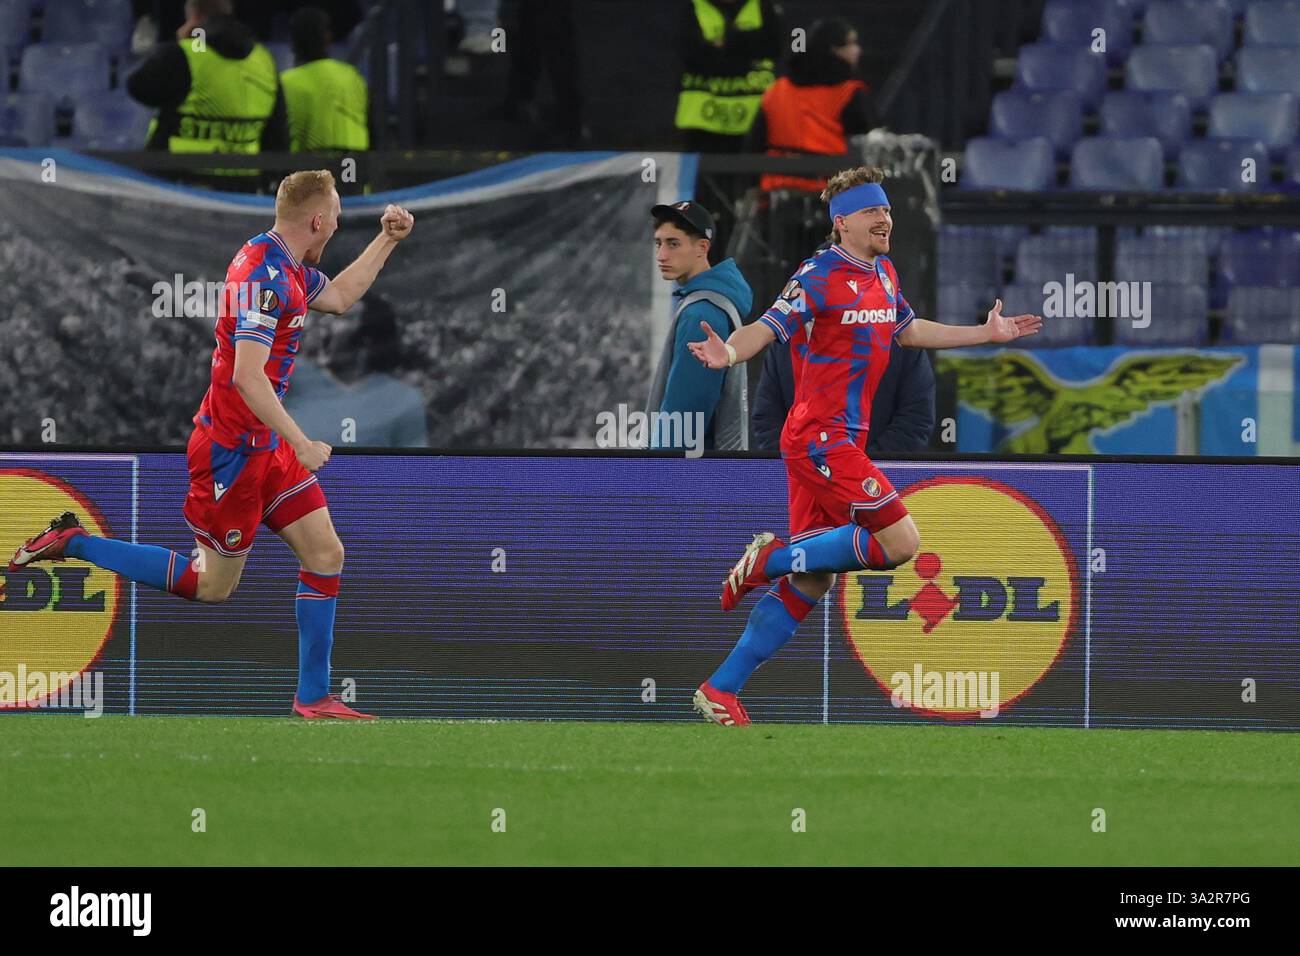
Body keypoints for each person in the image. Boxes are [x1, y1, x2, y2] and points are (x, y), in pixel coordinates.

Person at [8, 171, 416, 721]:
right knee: (210, 587)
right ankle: (75, 542)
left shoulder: (284, 262)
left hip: (264, 445)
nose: (340, 223)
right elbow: (249, 377)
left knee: (326, 553)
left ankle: (313, 697)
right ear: (318, 220)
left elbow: (341, 296)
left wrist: (386, 240)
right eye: (338, 214)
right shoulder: (265, 278)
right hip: (230, 452)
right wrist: (303, 441)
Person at [686, 165, 1042, 726]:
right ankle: (769, 558)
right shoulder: (818, 273)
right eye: (874, 211)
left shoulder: (884, 274)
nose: (886, 218)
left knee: (814, 578)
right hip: (819, 439)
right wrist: (729, 353)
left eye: (889, 209)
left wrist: (984, 334)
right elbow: (768, 326)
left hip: (832, 441)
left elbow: (908, 330)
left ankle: (721, 688)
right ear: (842, 221)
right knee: (900, 542)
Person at [126, 0, 287, 183]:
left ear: (193, 16)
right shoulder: (264, 60)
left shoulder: (186, 55)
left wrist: (179, 48)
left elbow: (138, 87)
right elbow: (278, 137)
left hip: (180, 185)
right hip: (243, 186)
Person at [647, 201, 754, 451]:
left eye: (673, 244)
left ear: (702, 247)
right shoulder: (711, 302)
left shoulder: (702, 313)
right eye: (658, 243)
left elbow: (685, 415)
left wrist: (657, 479)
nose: (662, 255)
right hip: (706, 472)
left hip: (689, 477)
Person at [746, 17, 876, 193]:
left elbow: (753, 147)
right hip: (834, 194)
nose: (858, 50)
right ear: (834, 50)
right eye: (851, 43)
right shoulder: (849, 93)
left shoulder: (776, 90)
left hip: (777, 191)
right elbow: (868, 148)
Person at [675, 0, 783, 153]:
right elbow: (694, 56)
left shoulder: (763, 6)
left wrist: (726, 42)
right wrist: (747, 60)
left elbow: (773, 47)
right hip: (702, 124)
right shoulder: (694, 6)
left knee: (752, 173)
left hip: (755, 125)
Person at [280, 6, 369, 152]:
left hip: (307, 170)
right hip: (354, 169)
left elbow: (279, 138)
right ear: (327, 38)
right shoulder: (354, 77)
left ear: (294, 43)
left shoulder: (286, 82)